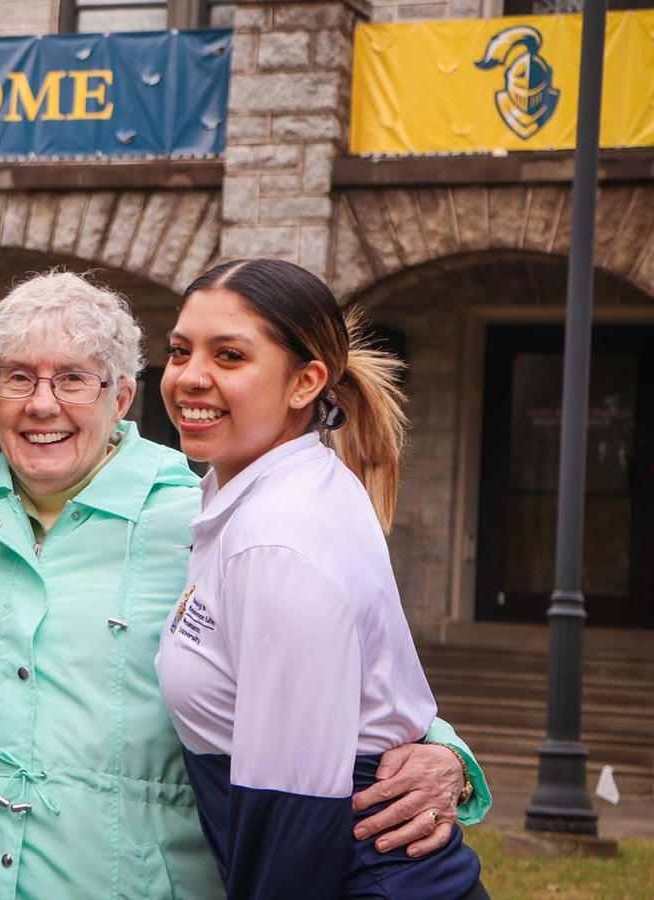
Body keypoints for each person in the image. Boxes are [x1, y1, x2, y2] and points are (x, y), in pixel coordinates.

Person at [0, 271, 489, 899]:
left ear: (124, 395)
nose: (42, 403)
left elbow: (348, 668)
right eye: (16, 377)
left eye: (74, 378)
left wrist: (448, 759)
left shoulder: (202, 519)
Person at [155, 258, 489, 898]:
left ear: (305, 381)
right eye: (179, 351)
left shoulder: (278, 538)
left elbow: (292, 812)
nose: (190, 377)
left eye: (229, 356)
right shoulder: (266, 491)